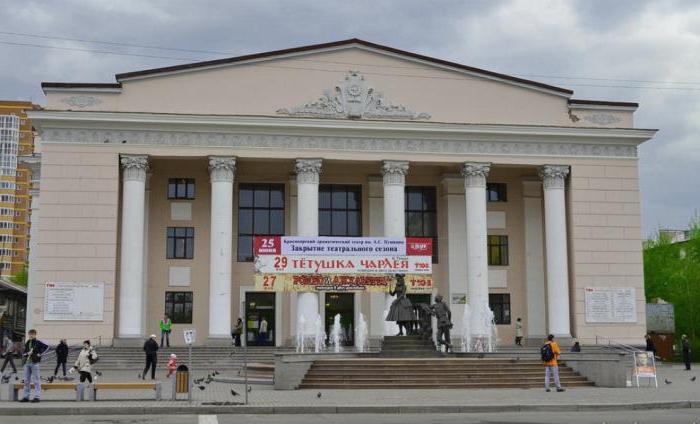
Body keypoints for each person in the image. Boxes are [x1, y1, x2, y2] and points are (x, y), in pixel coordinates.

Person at [20, 329, 48, 402]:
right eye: (30, 334)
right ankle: (26, 397)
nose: (31, 335)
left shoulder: (38, 342)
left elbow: (46, 347)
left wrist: (40, 353)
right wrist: (26, 354)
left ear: (35, 335)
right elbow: (24, 352)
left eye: (32, 334)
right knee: (26, 380)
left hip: (35, 363)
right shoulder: (28, 342)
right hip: (27, 363)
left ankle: (37, 396)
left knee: (36, 380)